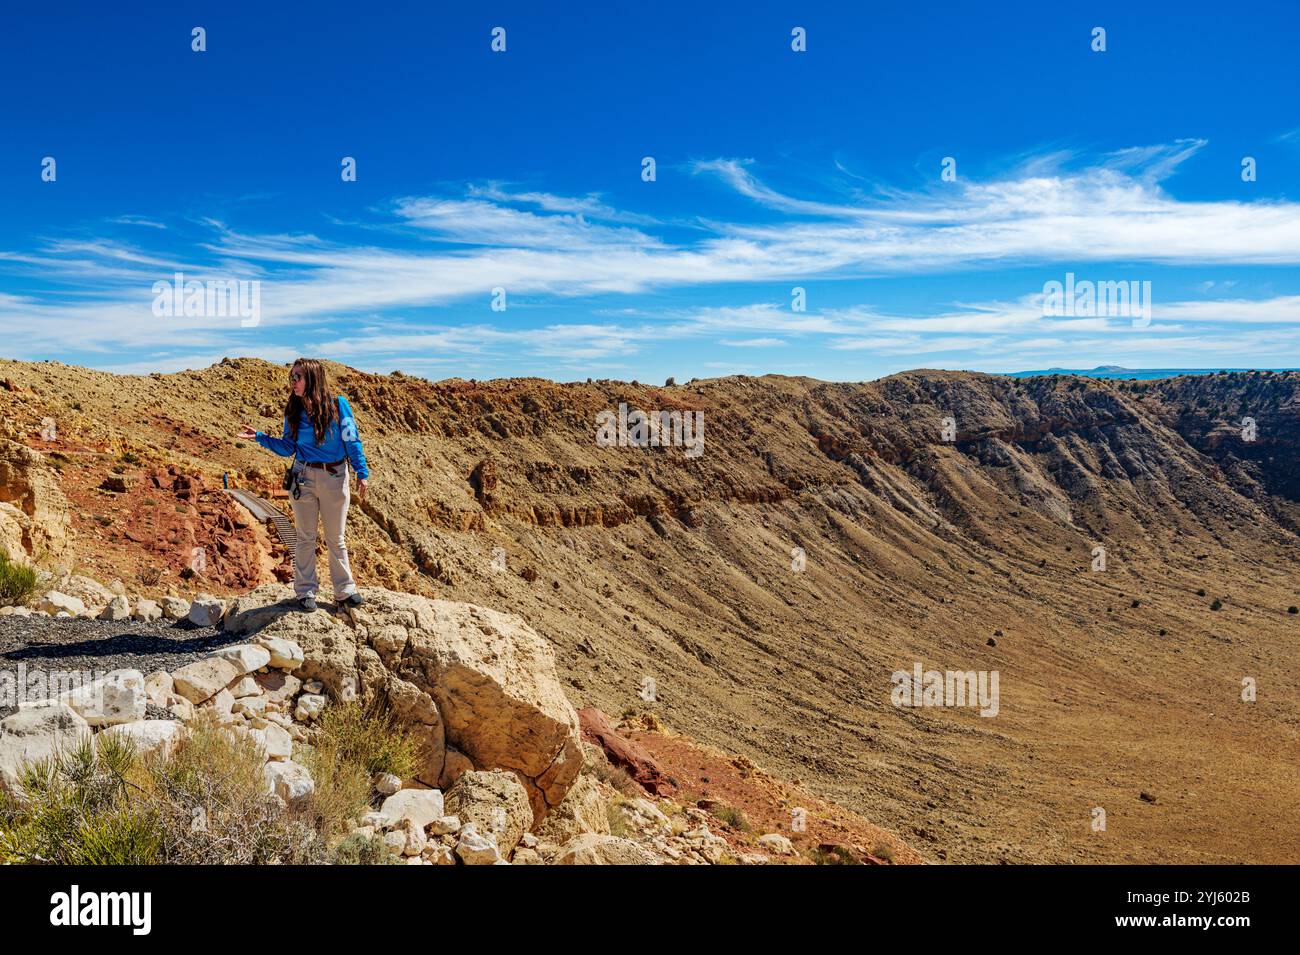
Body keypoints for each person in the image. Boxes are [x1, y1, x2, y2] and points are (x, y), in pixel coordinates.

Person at [237, 358, 370, 612]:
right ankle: (305, 591)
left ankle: (344, 590)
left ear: (313, 378)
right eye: (292, 377)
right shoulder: (293, 411)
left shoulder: (338, 405)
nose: (293, 382)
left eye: (298, 377)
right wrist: (260, 438)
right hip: (304, 476)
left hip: (334, 476)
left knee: (336, 538)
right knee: (305, 537)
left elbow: (351, 440)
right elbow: (289, 447)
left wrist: (361, 471)